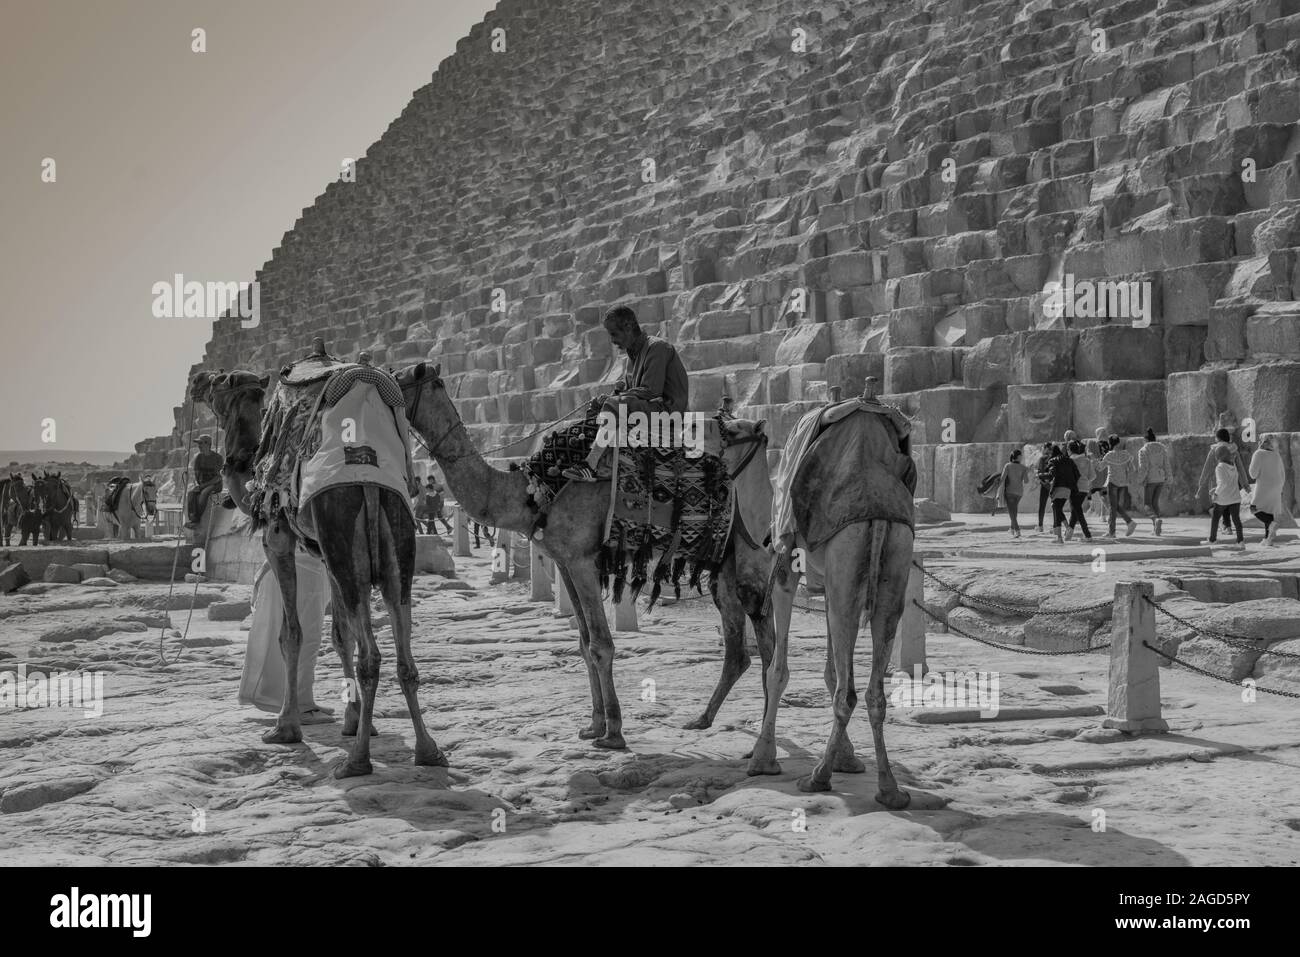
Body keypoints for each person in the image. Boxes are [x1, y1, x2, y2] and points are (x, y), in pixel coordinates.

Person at [563, 306, 689, 482]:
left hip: (668, 411)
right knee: (601, 408)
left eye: (614, 334)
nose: (613, 341)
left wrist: (614, 400)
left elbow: (650, 391)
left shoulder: (658, 348)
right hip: (648, 408)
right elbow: (628, 389)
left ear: (628, 327)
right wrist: (609, 397)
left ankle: (590, 464)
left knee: (616, 405)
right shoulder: (633, 355)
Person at [239, 550, 333, 721]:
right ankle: (303, 705)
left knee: (302, 636)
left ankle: (302, 699)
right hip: (304, 569)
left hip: (292, 567)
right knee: (308, 639)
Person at [1197, 427, 1251, 531]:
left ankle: (1226, 525)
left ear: (1218, 438)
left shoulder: (1214, 450)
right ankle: (1227, 525)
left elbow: (1207, 468)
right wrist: (1245, 484)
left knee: (1220, 502)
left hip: (1217, 479)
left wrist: (1201, 484)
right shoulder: (1234, 450)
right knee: (1228, 501)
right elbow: (1240, 467)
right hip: (1232, 480)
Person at [1203, 445, 1245, 549]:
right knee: (1236, 520)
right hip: (1235, 497)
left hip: (1223, 498)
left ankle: (1212, 540)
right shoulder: (1233, 465)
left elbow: (1223, 484)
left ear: (1219, 456)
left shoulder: (1220, 467)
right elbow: (1230, 482)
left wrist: (1216, 493)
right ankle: (1240, 542)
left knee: (1216, 518)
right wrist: (1216, 488)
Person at [1249, 436, 1285, 546]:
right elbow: (1283, 473)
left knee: (1253, 508)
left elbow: (1253, 474)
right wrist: (1280, 488)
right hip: (1277, 485)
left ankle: (1270, 524)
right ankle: (1267, 539)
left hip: (1264, 485)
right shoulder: (1276, 455)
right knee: (1269, 511)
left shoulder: (1258, 453)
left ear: (1262, 443)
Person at [1102, 434, 1138, 539]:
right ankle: (1127, 523)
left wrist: (1093, 461)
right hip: (1123, 483)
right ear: (1118, 442)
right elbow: (1132, 469)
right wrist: (1127, 477)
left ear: (1110, 443)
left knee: (1113, 507)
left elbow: (1100, 468)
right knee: (1115, 506)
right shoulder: (1126, 454)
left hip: (1112, 482)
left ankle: (1113, 531)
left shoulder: (1109, 455)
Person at [185, 435, 224, 528]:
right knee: (191, 494)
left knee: (204, 493)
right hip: (203, 484)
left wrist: (203, 486)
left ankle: (197, 520)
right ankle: (192, 518)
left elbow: (218, 478)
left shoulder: (218, 458)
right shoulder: (198, 458)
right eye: (198, 444)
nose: (199, 446)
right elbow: (197, 475)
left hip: (215, 484)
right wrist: (199, 485)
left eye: (201, 444)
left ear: (208, 444)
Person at [1138, 428, 1169, 536]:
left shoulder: (1143, 450)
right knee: (1155, 503)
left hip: (1150, 479)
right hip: (1161, 478)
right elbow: (1167, 464)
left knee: (1147, 504)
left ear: (1145, 439)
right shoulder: (1162, 448)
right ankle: (1156, 528)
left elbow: (1144, 467)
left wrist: (1140, 479)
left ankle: (1156, 520)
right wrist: (1168, 477)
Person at [1048, 444, 1080, 544]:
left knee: (1056, 510)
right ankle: (1066, 528)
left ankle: (1059, 537)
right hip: (1068, 490)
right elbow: (1077, 475)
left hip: (1058, 488)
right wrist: (1071, 484)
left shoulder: (1053, 461)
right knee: (1057, 509)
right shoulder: (1070, 460)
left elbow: (1052, 474)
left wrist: (1040, 475)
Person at [1065, 439, 1093, 541]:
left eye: (1067, 449)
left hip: (1073, 489)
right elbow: (1092, 476)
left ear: (1070, 450)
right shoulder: (1087, 460)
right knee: (1075, 510)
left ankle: (1087, 535)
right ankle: (1068, 535)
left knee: (1078, 511)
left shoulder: (1069, 460)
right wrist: (1084, 480)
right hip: (1084, 488)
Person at [999, 449, 1030, 538]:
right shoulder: (1023, 467)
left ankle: (1017, 530)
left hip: (1010, 491)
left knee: (1011, 512)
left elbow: (1002, 479)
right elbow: (1026, 481)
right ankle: (1012, 528)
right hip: (1019, 493)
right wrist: (1027, 471)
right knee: (1014, 511)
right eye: (1021, 456)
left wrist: (998, 489)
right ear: (1019, 457)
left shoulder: (1008, 466)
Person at [1034, 441, 1054, 534]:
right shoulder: (1054, 458)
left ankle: (1040, 526)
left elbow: (1039, 473)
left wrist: (1043, 482)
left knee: (1042, 506)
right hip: (1053, 485)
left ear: (1046, 448)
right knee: (1055, 506)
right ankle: (1055, 525)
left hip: (1044, 485)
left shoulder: (1042, 459)